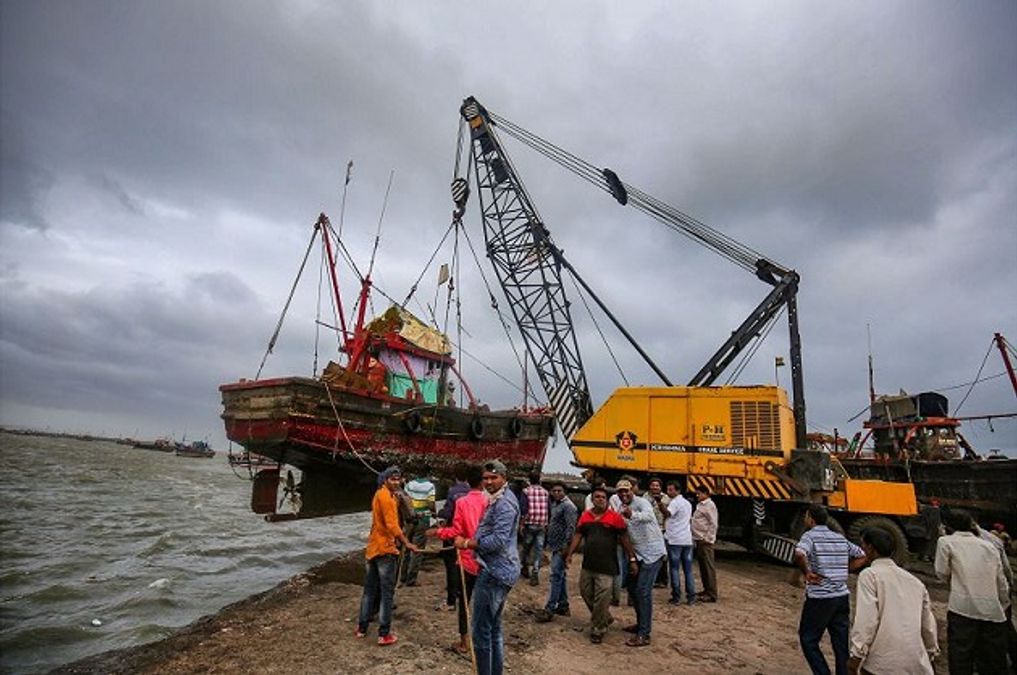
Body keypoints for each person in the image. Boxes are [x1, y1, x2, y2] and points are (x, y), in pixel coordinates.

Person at [454, 460, 521, 675]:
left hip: (495, 572)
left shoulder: (504, 504)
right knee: (494, 629)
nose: (489, 482)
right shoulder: (498, 499)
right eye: (486, 478)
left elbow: (498, 541)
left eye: (494, 478)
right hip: (501, 570)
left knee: (481, 632)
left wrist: (467, 543)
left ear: (504, 478)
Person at [847, 527, 939, 675]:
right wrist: (931, 653)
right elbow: (928, 624)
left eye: (863, 545)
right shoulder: (915, 582)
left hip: (883, 663)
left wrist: (856, 655)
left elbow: (867, 620)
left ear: (870, 548)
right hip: (915, 662)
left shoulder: (870, 576)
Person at [794, 504, 867, 675]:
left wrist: (807, 572)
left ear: (810, 519)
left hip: (820, 597)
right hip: (841, 597)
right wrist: (846, 569)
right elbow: (862, 555)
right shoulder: (839, 538)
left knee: (808, 639)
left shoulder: (810, 536)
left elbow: (799, 553)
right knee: (840, 643)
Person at [935, 508, 1010, 675]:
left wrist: (956, 580)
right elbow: (1001, 582)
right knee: (992, 661)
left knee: (961, 660)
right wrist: (1003, 606)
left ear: (947, 526)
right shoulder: (989, 546)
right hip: (993, 612)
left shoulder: (946, 542)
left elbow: (941, 573)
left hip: (962, 609)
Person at [356, 466, 421, 645]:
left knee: (369, 590)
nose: (396, 482)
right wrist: (407, 542)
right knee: (386, 593)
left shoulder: (380, 494)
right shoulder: (388, 499)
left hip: (373, 548)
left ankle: (362, 628)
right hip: (385, 549)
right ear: (385, 480)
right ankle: (384, 633)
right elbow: (392, 525)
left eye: (397, 479)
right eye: (392, 479)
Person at [428, 463, 487, 656]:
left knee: (465, 603)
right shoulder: (492, 501)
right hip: (488, 560)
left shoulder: (462, 502)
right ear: (483, 481)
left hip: (467, 560)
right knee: (484, 603)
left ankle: (464, 642)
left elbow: (456, 531)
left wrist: (438, 532)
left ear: (467, 481)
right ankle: (483, 642)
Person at [565, 485, 637, 644]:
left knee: (602, 597)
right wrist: (569, 554)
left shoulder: (615, 518)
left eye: (603, 497)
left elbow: (625, 539)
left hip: (607, 566)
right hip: (588, 565)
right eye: (597, 497)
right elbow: (578, 534)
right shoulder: (585, 516)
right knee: (585, 593)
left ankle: (598, 629)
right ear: (592, 499)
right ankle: (605, 617)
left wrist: (632, 559)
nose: (601, 500)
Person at [614, 479, 666, 647]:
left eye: (626, 491)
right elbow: (624, 534)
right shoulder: (621, 508)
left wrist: (633, 515)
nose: (623, 494)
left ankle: (644, 634)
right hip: (639, 554)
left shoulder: (642, 502)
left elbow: (649, 516)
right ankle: (640, 624)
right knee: (632, 589)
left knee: (643, 591)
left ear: (632, 490)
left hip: (653, 553)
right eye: (620, 492)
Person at [535, 481, 578, 622]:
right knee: (560, 576)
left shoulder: (568, 506)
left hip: (561, 547)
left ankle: (550, 608)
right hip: (555, 545)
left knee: (555, 576)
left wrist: (566, 548)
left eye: (560, 491)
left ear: (565, 492)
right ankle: (563, 605)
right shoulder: (555, 504)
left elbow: (571, 528)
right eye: (554, 491)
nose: (557, 493)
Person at [435, 463, 471, 612]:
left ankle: (451, 601)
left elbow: (448, 512)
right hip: (468, 534)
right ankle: (463, 597)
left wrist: (439, 513)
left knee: (451, 566)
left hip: (453, 533)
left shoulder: (453, 491)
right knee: (465, 565)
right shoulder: (472, 491)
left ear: (455, 476)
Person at [662, 480, 695, 605]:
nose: (669, 492)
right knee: (688, 570)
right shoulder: (687, 503)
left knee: (674, 569)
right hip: (687, 539)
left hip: (675, 539)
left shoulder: (675, 503)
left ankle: (676, 596)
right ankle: (691, 596)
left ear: (677, 490)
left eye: (671, 490)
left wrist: (660, 504)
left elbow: (667, 513)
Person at [400, 471, 436, 586]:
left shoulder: (409, 484)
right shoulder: (430, 486)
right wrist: (434, 512)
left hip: (409, 519)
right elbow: (431, 503)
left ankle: (402, 577)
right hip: (423, 519)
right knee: (417, 550)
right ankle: (411, 580)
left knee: (406, 547)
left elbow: (405, 500)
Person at [519, 472, 549, 586]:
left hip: (529, 524)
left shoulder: (526, 492)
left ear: (529, 480)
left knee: (526, 547)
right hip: (541, 524)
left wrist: (521, 524)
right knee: (539, 550)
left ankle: (524, 566)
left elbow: (523, 509)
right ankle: (535, 571)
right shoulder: (545, 492)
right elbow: (548, 508)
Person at [690, 484, 719, 603]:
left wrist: (708, 538)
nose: (697, 495)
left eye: (699, 493)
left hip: (705, 541)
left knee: (708, 567)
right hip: (699, 540)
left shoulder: (709, 505)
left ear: (706, 493)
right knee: (703, 567)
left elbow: (713, 524)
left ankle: (711, 593)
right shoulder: (701, 505)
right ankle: (706, 590)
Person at [646, 477, 670, 587]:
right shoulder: (645, 497)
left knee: (662, 555)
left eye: (657, 485)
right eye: (653, 485)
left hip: (661, 528)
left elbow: (667, 513)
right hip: (649, 529)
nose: (655, 487)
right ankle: (652, 579)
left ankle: (663, 579)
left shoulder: (666, 498)